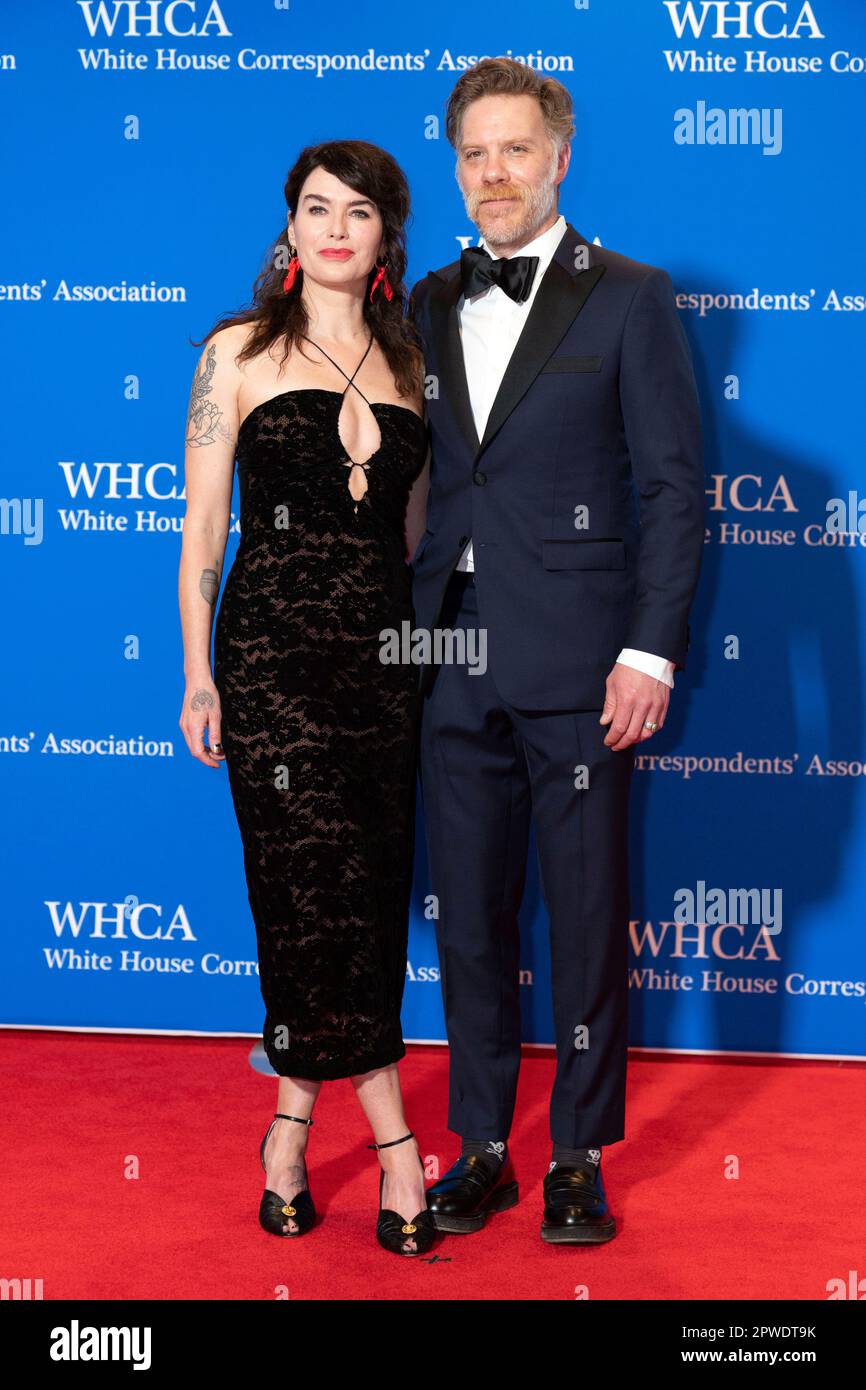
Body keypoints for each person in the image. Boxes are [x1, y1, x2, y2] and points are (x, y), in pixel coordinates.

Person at [409, 59, 705, 1244]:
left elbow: (672, 493)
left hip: (585, 663)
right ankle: (482, 1142)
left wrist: (649, 653)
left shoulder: (631, 296)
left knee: (584, 913)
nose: (492, 173)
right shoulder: (426, 299)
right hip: (446, 654)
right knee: (468, 915)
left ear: (559, 157)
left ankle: (575, 1152)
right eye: (472, 153)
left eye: (513, 149)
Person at [177, 140, 435, 1257]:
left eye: (359, 212)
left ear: (385, 237)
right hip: (272, 664)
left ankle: (287, 1130)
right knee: (304, 891)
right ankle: (392, 1149)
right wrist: (197, 671)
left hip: (384, 672)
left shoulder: (410, 365)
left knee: (370, 896)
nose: (335, 227)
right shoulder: (235, 350)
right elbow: (201, 529)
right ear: (289, 227)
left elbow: (413, 542)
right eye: (316, 208)